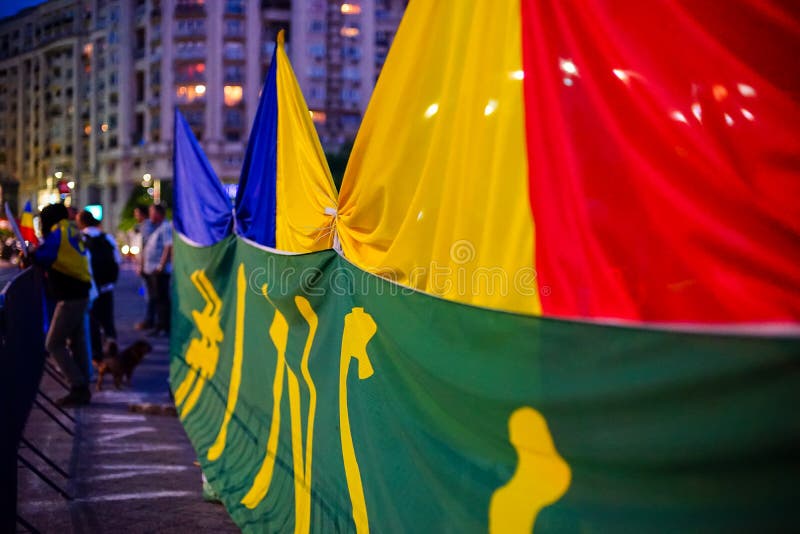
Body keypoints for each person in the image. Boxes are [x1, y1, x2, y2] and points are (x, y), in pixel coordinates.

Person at [30, 204, 93, 406]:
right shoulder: (72, 228)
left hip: (70, 295)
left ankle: (78, 385)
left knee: (53, 343)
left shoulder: (59, 232)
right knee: (77, 341)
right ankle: (83, 388)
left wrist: (31, 254)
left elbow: (44, 256)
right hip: (81, 291)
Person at [77, 210, 121, 365]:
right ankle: (111, 342)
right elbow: (117, 259)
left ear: (81, 222)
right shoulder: (107, 237)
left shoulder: (81, 238)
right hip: (107, 285)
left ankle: (97, 355)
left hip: (91, 287)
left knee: (93, 320)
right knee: (107, 317)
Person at [142, 204, 172, 336]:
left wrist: (161, 265)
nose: (150, 215)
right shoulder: (156, 227)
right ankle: (160, 325)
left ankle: (164, 326)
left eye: (151, 212)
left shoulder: (165, 227)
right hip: (153, 269)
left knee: (161, 299)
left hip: (160, 271)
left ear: (159, 214)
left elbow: (168, 246)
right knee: (157, 298)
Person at [133, 204, 156, 330]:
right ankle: (151, 320)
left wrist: (140, 265)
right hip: (147, 264)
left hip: (148, 265)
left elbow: (145, 247)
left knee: (150, 294)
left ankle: (150, 320)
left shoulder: (147, 227)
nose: (135, 216)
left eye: (137, 213)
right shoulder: (146, 226)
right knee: (150, 294)